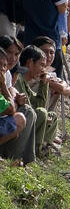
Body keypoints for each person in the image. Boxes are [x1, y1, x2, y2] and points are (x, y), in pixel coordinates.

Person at [0, 33, 29, 164]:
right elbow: (10, 108)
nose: (12, 58)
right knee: (21, 117)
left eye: (16, 54)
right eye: (9, 52)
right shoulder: (4, 77)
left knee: (25, 114)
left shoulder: (7, 75)